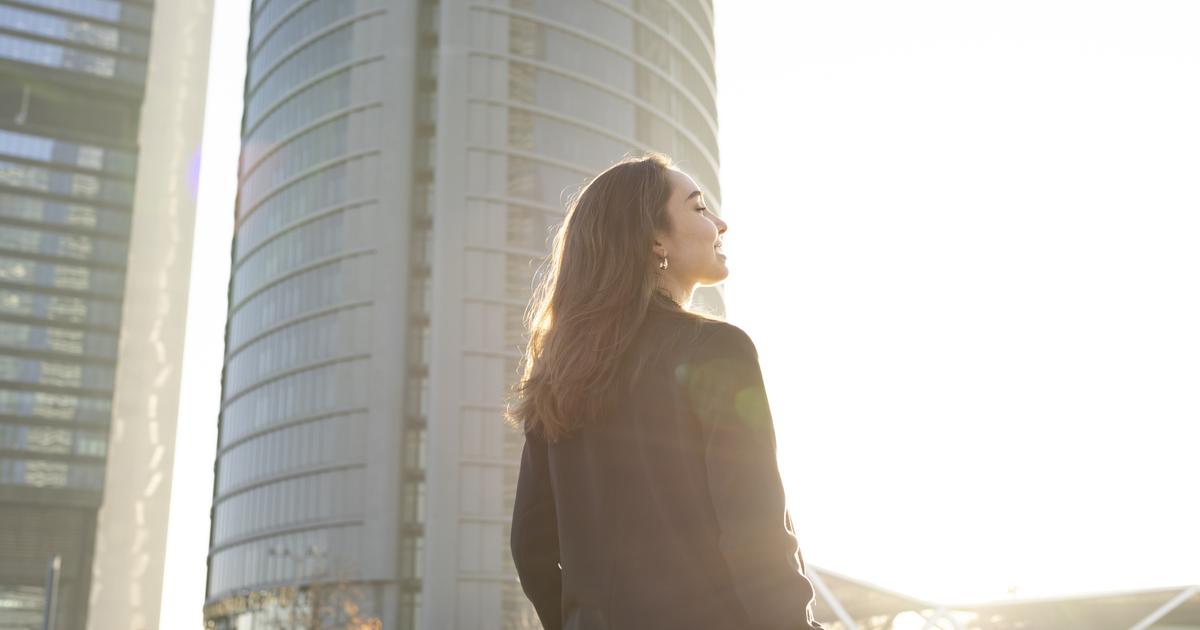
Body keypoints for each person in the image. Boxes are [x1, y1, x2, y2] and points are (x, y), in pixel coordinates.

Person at [506, 153, 824, 630]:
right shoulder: (718, 350)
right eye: (698, 208)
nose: (720, 223)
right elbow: (754, 533)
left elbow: (530, 546)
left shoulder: (559, 374)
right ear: (655, 239)